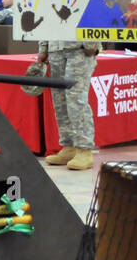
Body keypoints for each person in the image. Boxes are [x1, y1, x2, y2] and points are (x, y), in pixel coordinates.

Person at [40, 39, 99, 171]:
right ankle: (69, 146)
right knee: (59, 100)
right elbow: (45, 19)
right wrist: (43, 48)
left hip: (79, 48)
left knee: (77, 99)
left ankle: (84, 149)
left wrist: (91, 43)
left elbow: (92, 18)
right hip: (56, 48)